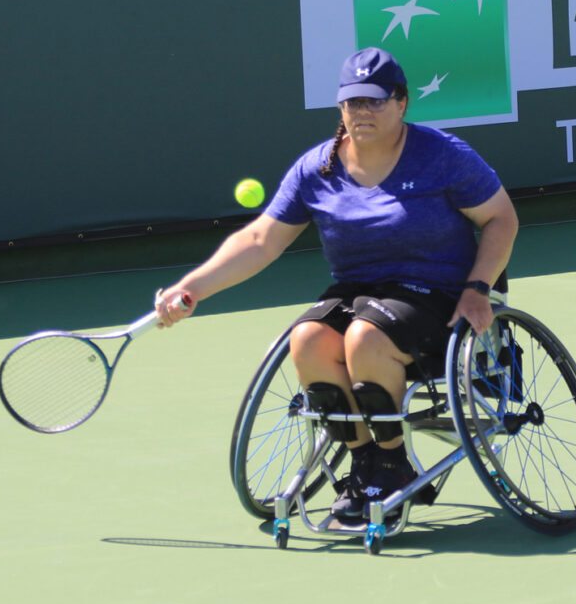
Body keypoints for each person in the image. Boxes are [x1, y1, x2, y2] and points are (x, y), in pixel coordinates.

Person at [155, 46, 518, 525]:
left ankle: (390, 463)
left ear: (402, 102)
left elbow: (501, 218)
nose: (361, 112)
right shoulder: (318, 168)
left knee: (365, 337)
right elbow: (261, 240)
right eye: (352, 102)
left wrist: (477, 286)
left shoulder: (442, 156)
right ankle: (364, 458)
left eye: (374, 101)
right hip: (357, 292)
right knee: (305, 340)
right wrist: (193, 288)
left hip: (437, 296)